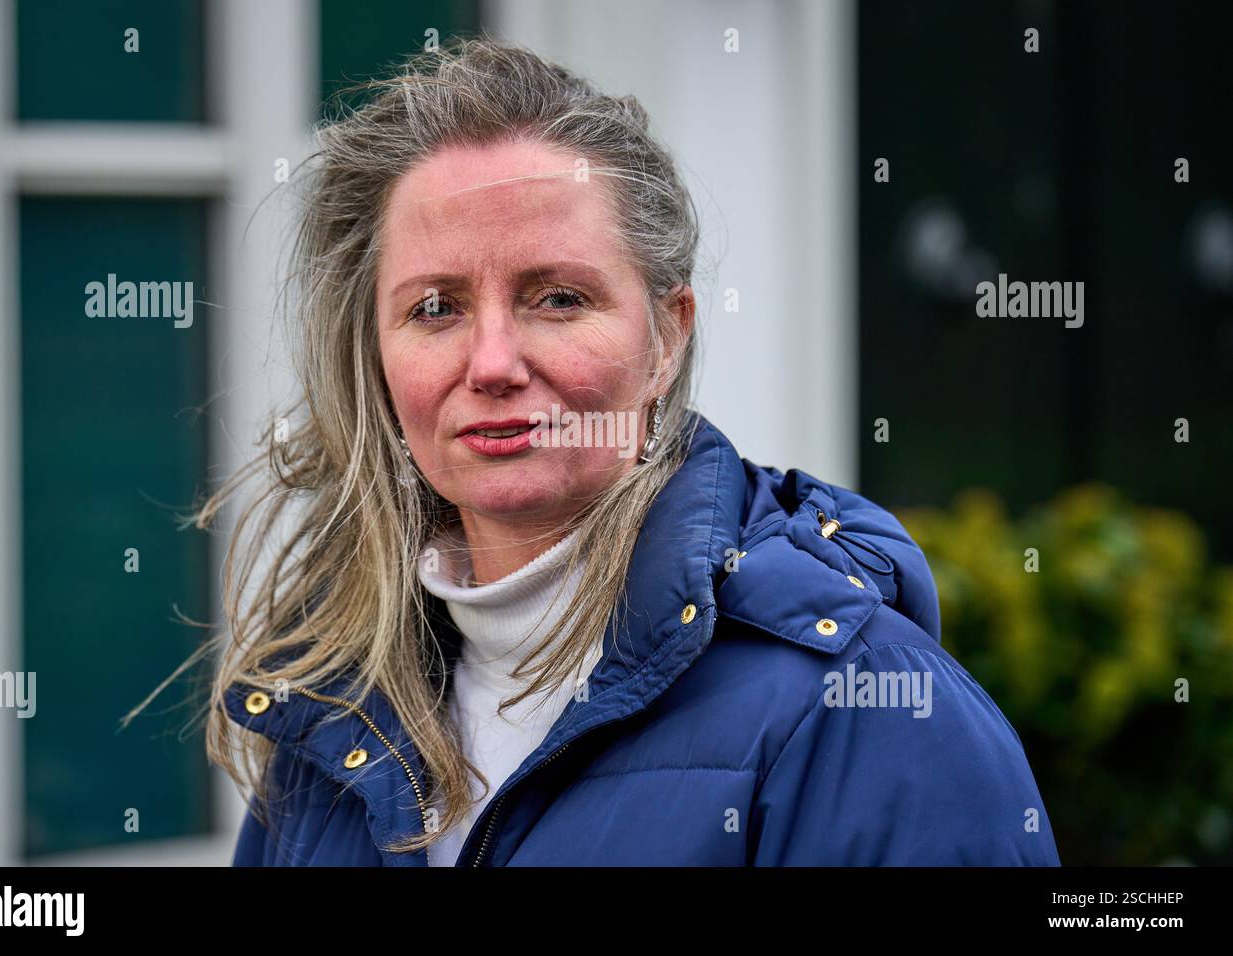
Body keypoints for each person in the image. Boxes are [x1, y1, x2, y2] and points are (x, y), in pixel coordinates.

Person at [201, 35, 1059, 866]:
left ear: (666, 339)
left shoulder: (866, 714)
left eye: (559, 297)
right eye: (436, 308)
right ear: (377, 355)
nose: (493, 363)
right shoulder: (333, 713)